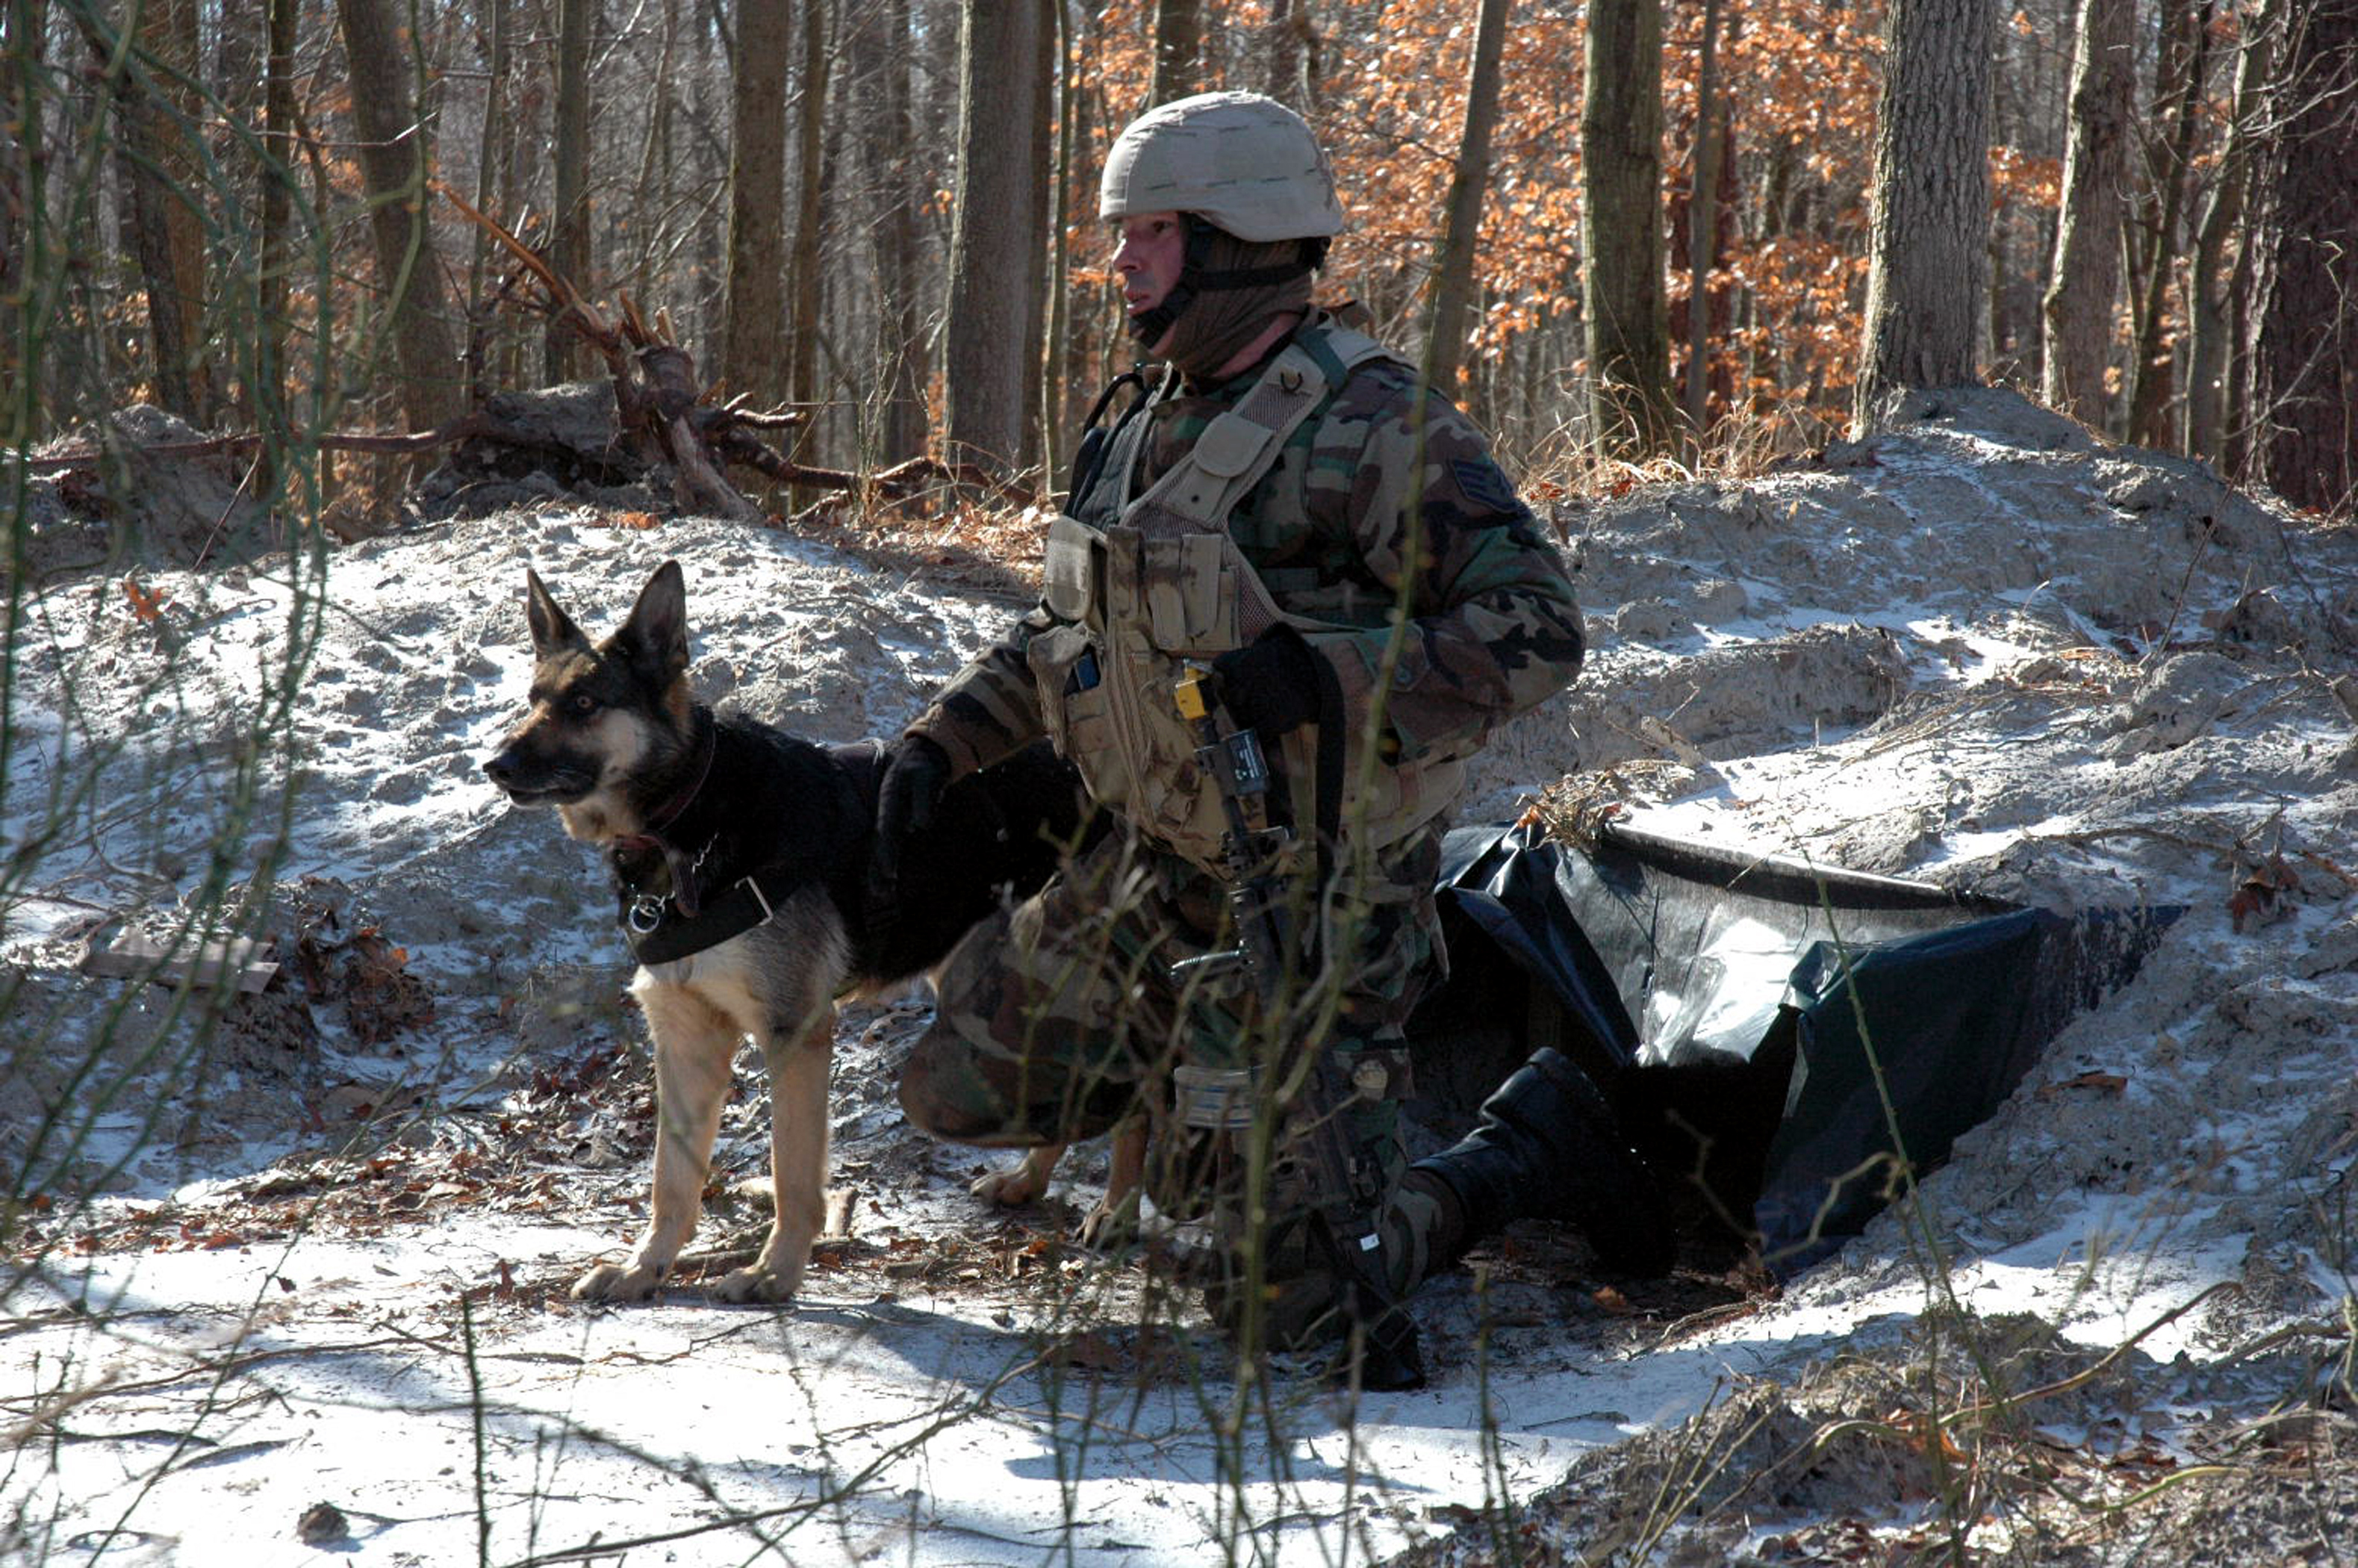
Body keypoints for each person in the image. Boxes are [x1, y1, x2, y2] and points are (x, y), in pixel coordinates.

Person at [868, 91, 1666, 1363]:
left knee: (1282, 1312)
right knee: (954, 1086)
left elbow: (1538, 628)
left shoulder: (1370, 422)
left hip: (1312, 899)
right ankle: (1214, 1132)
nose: (1119, 258)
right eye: (1119, 232)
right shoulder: (1134, 417)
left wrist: (1329, 675)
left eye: (1151, 231)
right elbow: (1068, 632)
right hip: (1149, 862)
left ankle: (1504, 1153)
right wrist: (942, 741)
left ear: (1239, 240)